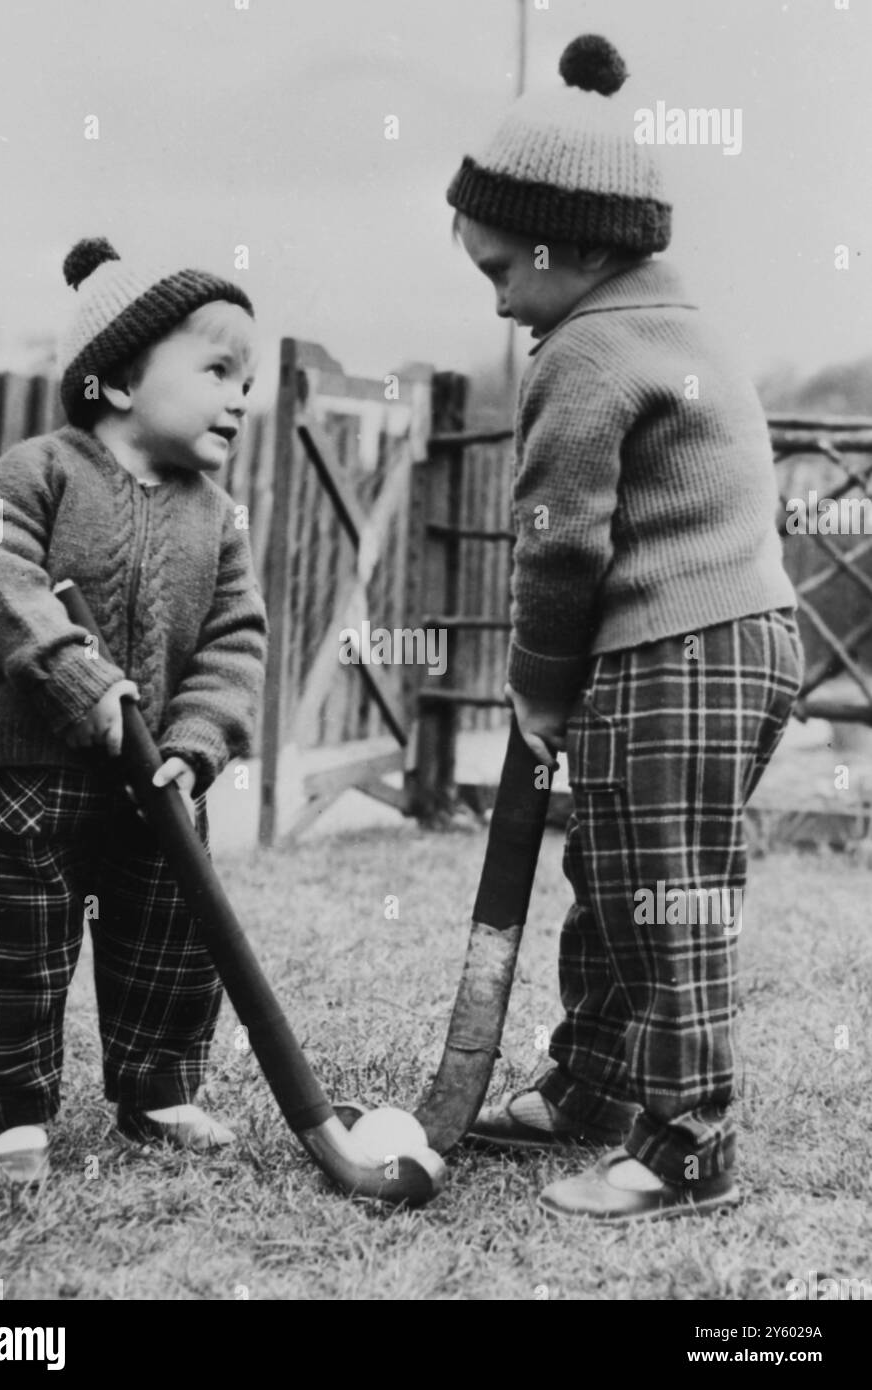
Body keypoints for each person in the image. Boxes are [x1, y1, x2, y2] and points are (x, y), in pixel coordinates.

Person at [447, 35, 803, 1222]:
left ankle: (688, 1141)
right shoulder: (670, 323)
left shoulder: (589, 352)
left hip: (680, 647)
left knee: (665, 891)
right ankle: (595, 1089)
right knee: (612, 877)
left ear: (578, 243)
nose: (494, 295)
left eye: (502, 267)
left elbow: (558, 542)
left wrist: (537, 686)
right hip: (717, 646)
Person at [0, 236, 267, 1183]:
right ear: (122, 380)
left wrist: (199, 738)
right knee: (12, 943)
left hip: (153, 780)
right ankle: (13, 1116)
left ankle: (156, 1090)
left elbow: (233, 640)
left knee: (170, 937)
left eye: (246, 378)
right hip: (25, 776)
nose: (239, 396)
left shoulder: (217, 516)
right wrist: (79, 679)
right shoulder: (37, 471)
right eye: (217, 370)